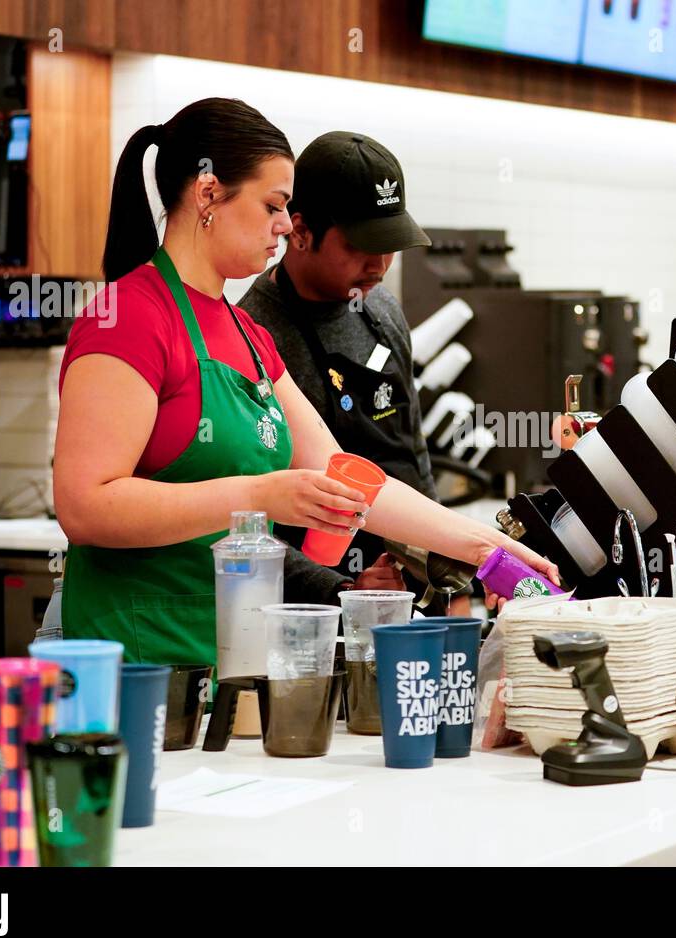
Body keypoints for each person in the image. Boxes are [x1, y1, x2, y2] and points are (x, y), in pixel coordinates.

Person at [53, 98, 555, 666]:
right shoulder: (128, 317)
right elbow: (85, 506)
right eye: (273, 205)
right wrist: (260, 496)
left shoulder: (247, 335)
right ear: (208, 192)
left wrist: (492, 549)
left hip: (237, 661)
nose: (285, 225)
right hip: (140, 661)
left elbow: (351, 482)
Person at [239, 131, 448, 606]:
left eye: (390, 244)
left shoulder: (385, 311)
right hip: (306, 615)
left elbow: (413, 454)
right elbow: (245, 519)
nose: (378, 264)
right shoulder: (253, 334)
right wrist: (341, 590)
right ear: (300, 231)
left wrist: (444, 571)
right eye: (361, 245)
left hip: (408, 592)